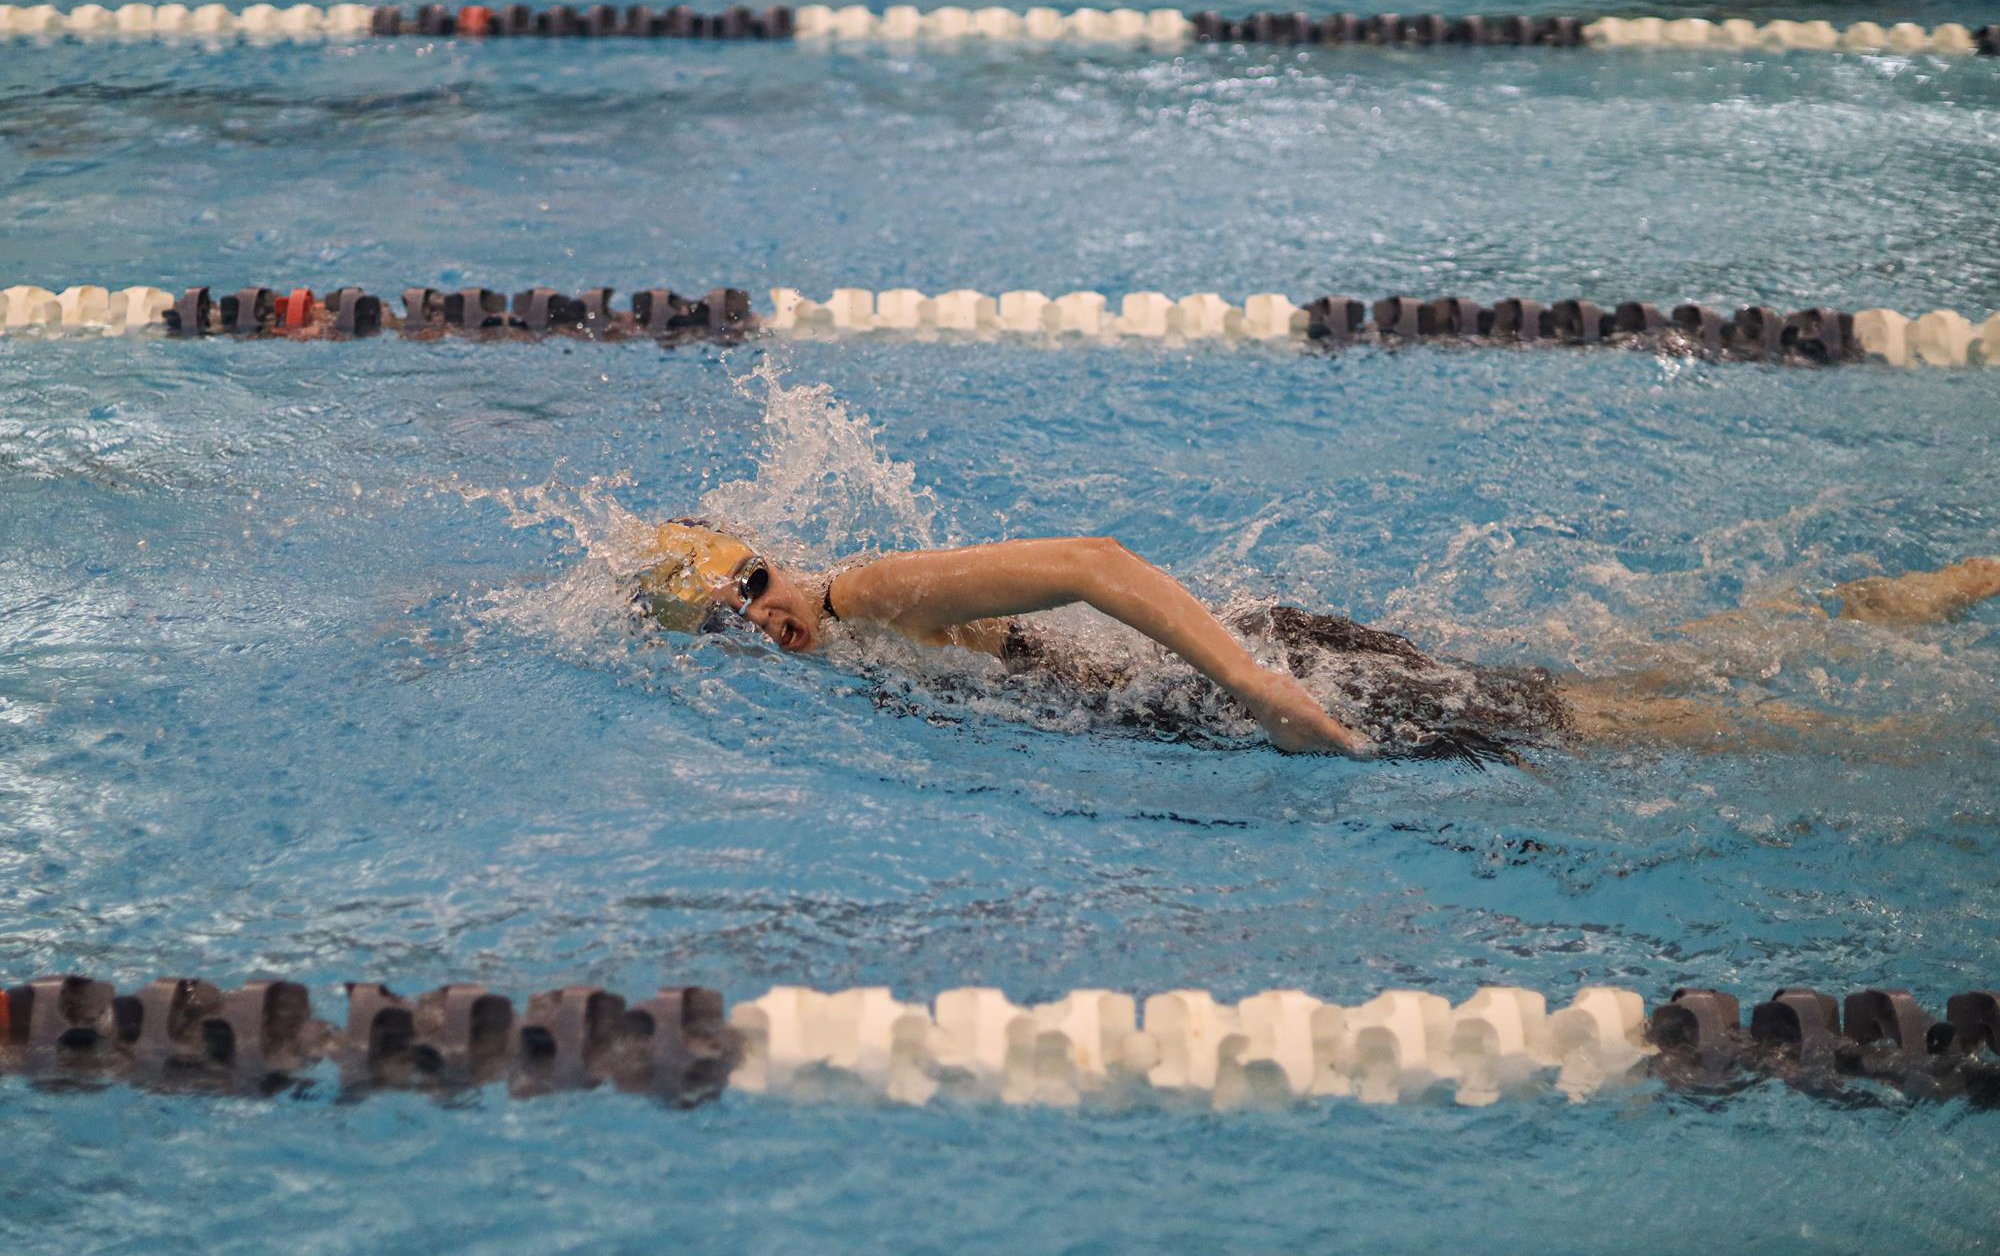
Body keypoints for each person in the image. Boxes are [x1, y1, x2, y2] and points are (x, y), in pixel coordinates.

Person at [632, 520, 2000, 763]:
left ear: (777, 548)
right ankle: (1869, 614)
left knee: (1602, 725)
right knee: (1601, 693)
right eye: (730, 617)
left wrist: (1250, 680)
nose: (762, 612)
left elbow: (1095, 564)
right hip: (1236, 684)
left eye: (753, 577)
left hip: (1268, 678)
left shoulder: (871, 591)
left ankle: (1901, 744)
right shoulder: (843, 652)